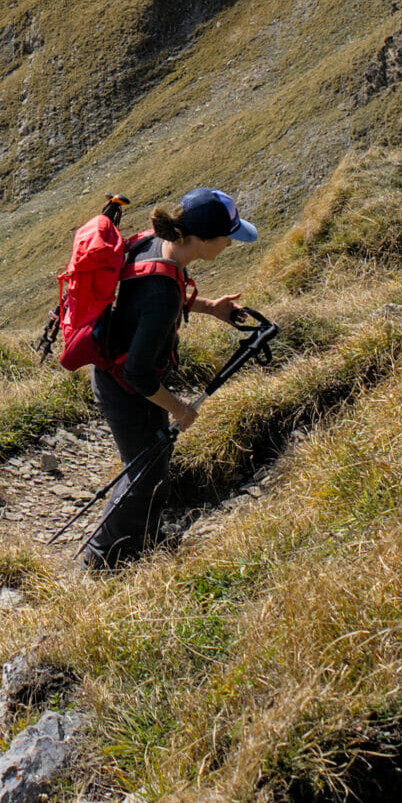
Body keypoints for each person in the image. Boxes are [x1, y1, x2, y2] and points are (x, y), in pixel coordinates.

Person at [81, 187, 257, 571]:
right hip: (126, 389)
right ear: (202, 239)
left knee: (152, 461)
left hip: (116, 375)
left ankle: (141, 538)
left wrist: (211, 307)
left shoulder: (156, 245)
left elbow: (151, 292)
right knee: (145, 471)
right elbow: (138, 375)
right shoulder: (162, 290)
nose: (229, 244)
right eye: (227, 237)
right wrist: (179, 410)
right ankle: (100, 562)